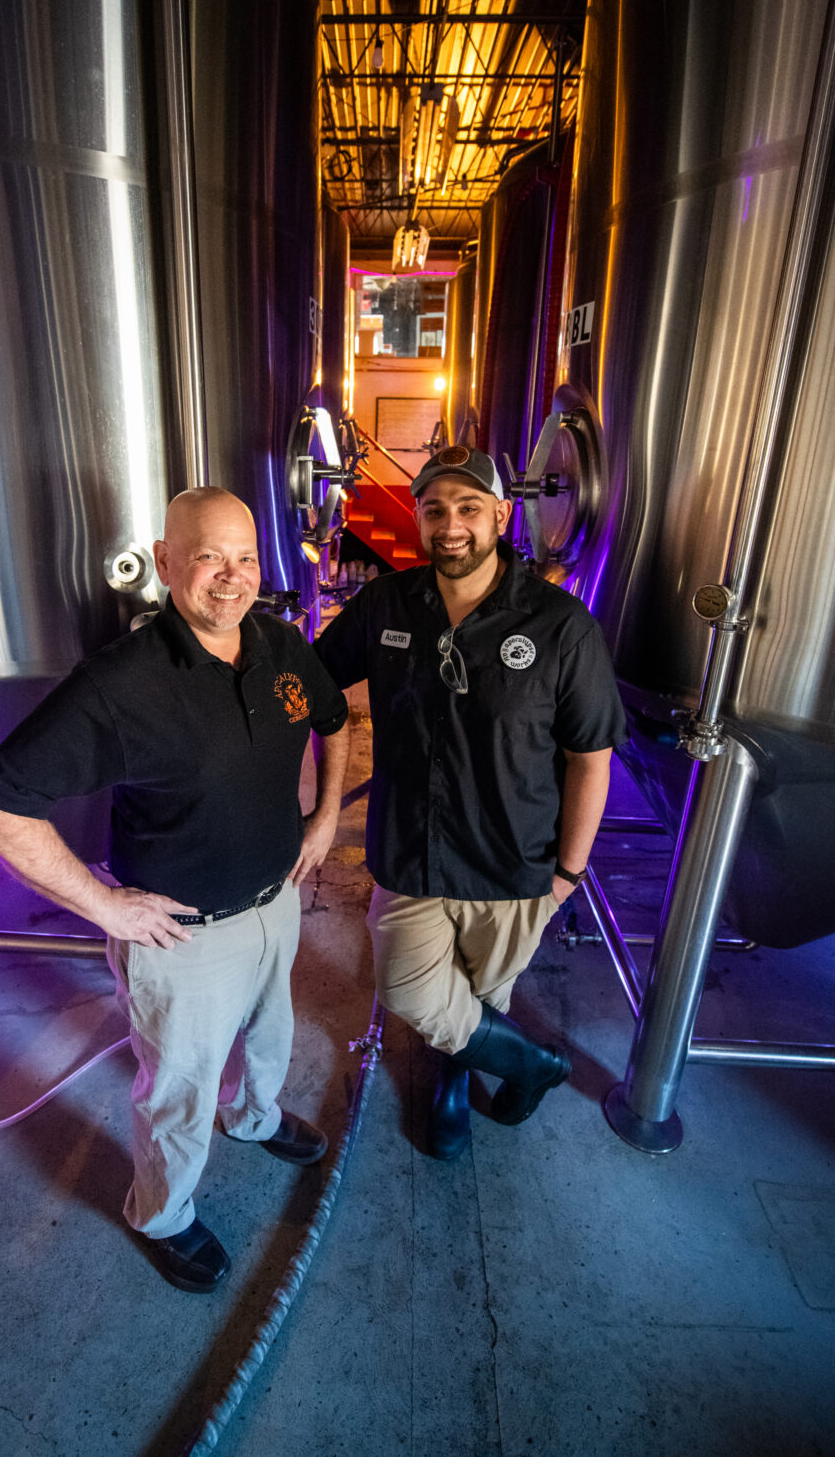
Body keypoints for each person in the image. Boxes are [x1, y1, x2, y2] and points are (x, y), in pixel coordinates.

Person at [0, 487, 350, 1291]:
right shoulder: (120, 685)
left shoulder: (278, 644)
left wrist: (324, 818)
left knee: (270, 1038)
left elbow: (334, 718)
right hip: (184, 939)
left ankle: (254, 1120)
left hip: (277, 903)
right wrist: (105, 903)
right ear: (167, 561)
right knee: (179, 1088)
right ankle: (162, 1213)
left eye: (246, 558)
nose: (232, 577)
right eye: (209, 557)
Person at [313, 444, 626, 1160]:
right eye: (434, 510)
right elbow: (314, 681)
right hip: (410, 852)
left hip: (513, 864)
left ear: (500, 515)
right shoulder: (387, 603)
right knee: (410, 987)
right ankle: (531, 1064)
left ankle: (452, 1084)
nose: (451, 525)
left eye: (468, 509)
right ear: (419, 520)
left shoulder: (559, 626)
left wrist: (567, 876)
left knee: (484, 1000)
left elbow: (589, 761)